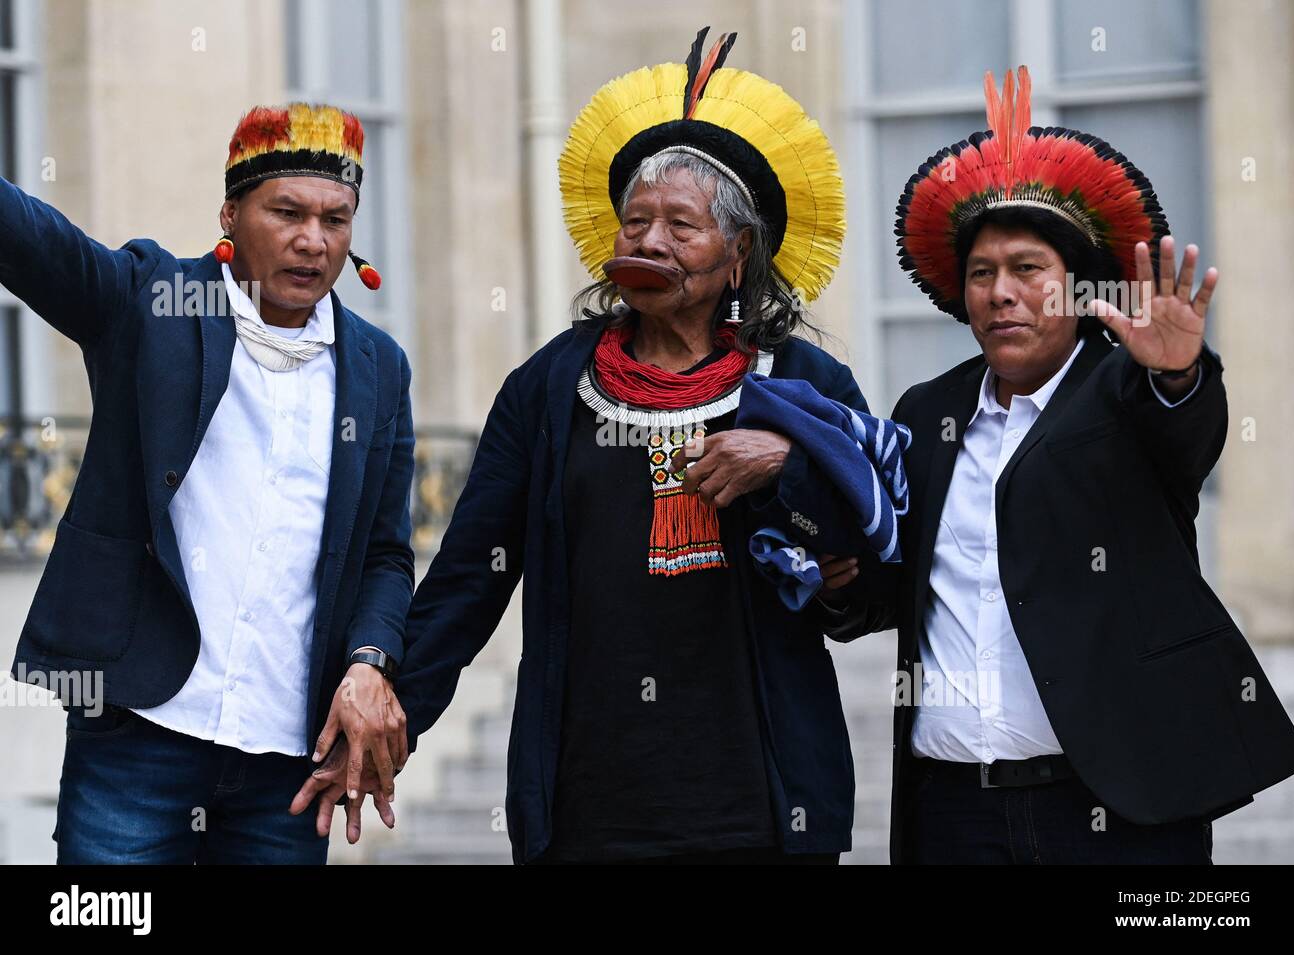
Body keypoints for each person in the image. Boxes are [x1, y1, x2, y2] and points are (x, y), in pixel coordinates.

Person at [296, 28, 893, 863]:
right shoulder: (547, 389)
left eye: (680, 226)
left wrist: (792, 466)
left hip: (764, 806)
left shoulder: (802, 384)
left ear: (739, 254)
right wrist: (387, 725)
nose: (647, 241)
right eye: (635, 221)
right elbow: (471, 578)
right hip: (588, 807)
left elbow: (870, 582)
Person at [837, 67, 1294, 863]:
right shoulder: (925, 411)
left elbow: (1186, 438)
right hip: (953, 811)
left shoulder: (1129, 389)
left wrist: (1177, 375)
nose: (1001, 293)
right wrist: (834, 573)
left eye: (1027, 270)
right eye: (982, 274)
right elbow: (896, 588)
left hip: (1113, 812)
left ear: (1078, 288)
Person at [4, 103, 414, 864]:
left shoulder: (379, 368)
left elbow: (387, 553)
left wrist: (369, 660)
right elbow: (34, 244)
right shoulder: (151, 302)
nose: (311, 240)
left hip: (288, 760)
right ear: (231, 212)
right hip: (138, 732)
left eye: (335, 218)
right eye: (286, 211)